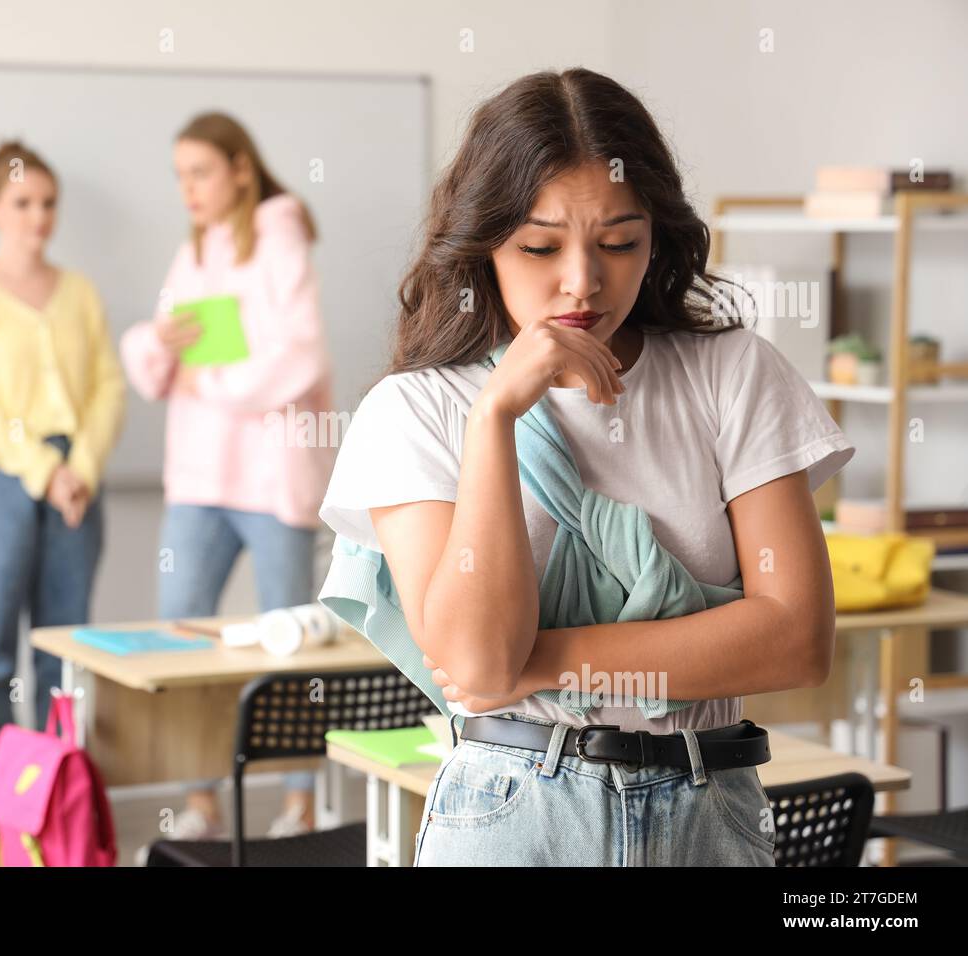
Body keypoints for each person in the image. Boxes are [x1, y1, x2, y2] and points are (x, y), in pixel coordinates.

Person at [318, 68, 856, 866]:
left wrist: (541, 661)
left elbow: (796, 642)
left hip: (709, 808)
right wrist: (495, 418)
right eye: (540, 247)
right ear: (484, 243)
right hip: (513, 811)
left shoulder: (735, 373)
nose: (583, 281)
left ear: (657, 237)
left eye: (619, 243)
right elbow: (473, 657)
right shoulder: (417, 409)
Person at [120, 113, 335, 846]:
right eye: (180, 176)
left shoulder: (281, 232)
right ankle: (203, 803)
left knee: (293, 641)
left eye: (201, 173)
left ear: (241, 168)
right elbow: (152, 363)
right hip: (200, 479)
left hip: (271, 480)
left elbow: (299, 357)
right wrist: (158, 342)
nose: (189, 190)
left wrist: (207, 378)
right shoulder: (195, 250)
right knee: (182, 633)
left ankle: (301, 803)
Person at [0, 140, 125, 791]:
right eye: (22, 203)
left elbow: (107, 387)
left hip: (77, 480)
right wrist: (42, 468)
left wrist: (83, 469)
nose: (37, 216)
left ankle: (54, 796)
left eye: (47, 203)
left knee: (63, 651)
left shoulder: (80, 293)